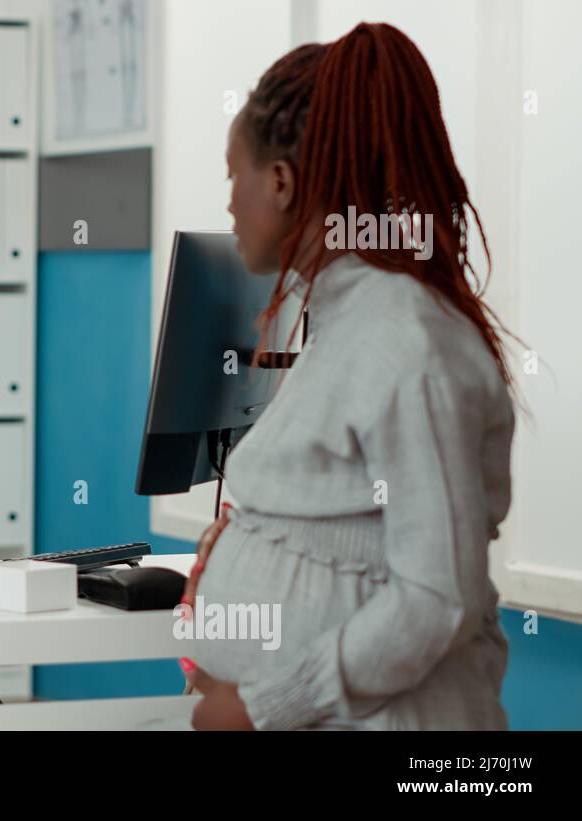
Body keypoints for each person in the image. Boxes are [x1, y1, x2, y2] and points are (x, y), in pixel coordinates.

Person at [178, 23, 521, 730]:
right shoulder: (349, 322)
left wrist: (258, 705)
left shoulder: (410, 342)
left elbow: (436, 599)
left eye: (231, 176)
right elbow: (355, 533)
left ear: (280, 181)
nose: (229, 204)